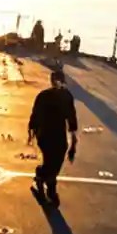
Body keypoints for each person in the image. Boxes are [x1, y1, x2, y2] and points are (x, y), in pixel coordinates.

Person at [28, 69, 78, 207]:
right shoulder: (64, 96)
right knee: (54, 161)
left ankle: (42, 176)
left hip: (46, 134)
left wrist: (32, 132)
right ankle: (50, 188)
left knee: (52, 161)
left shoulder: (44, 95)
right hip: (50, 134)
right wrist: (73, 142)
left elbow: (34, 115)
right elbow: (72, 119)